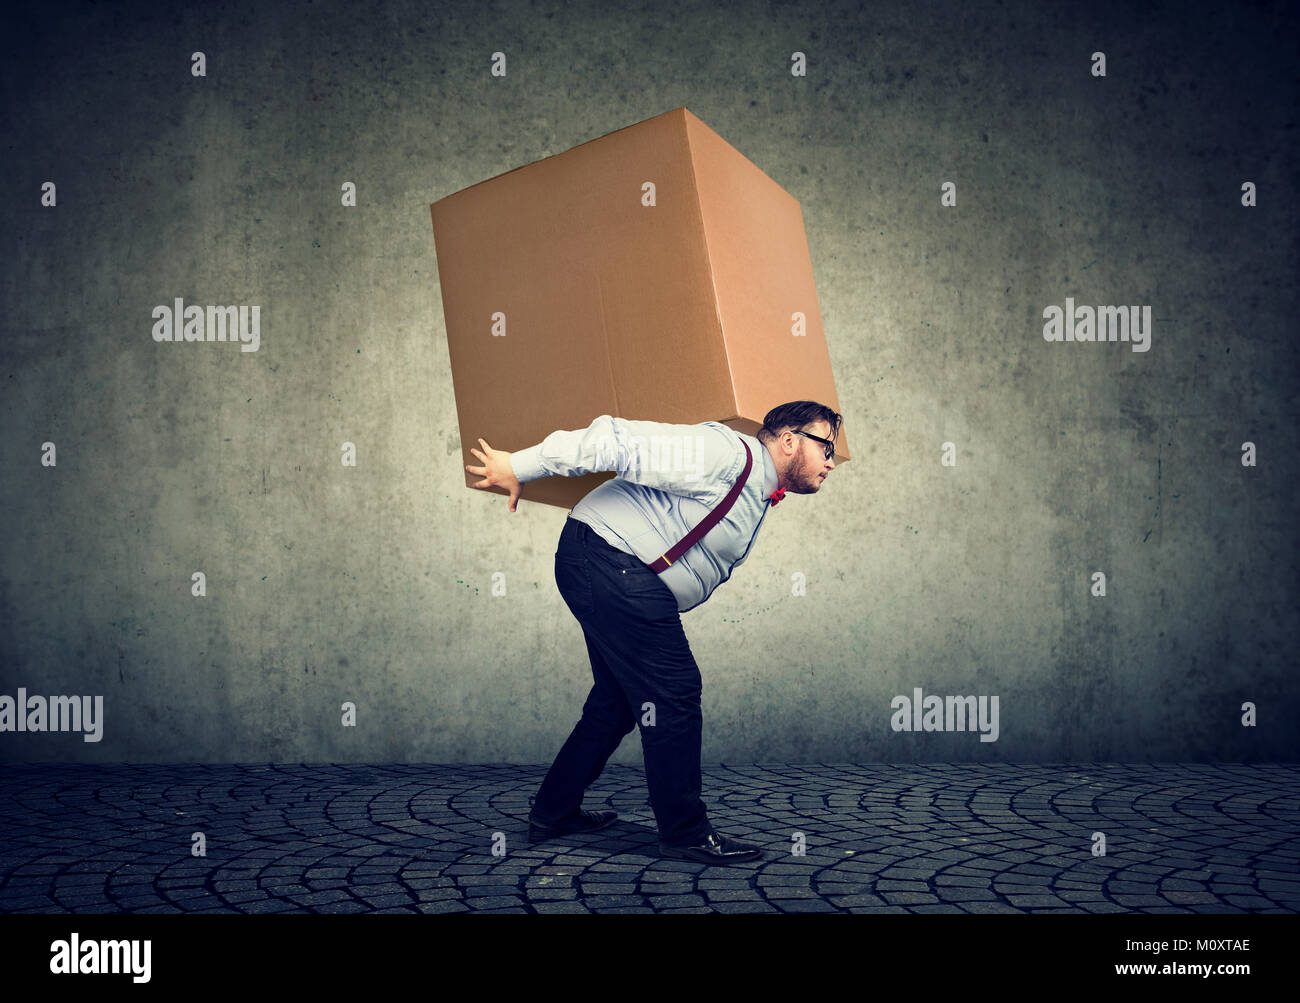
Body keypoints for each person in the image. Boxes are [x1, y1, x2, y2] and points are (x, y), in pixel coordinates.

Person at [464, 401, 841, 864]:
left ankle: (553, 811)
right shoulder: (725, 453)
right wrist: (516, 465)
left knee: (617, 701)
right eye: (826, 446)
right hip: (610, 562)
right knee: (675, 692)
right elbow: (612, 439)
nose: (830, 460)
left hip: (610, 567)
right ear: (788, 440)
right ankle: (685, 832)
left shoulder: (757, 489)